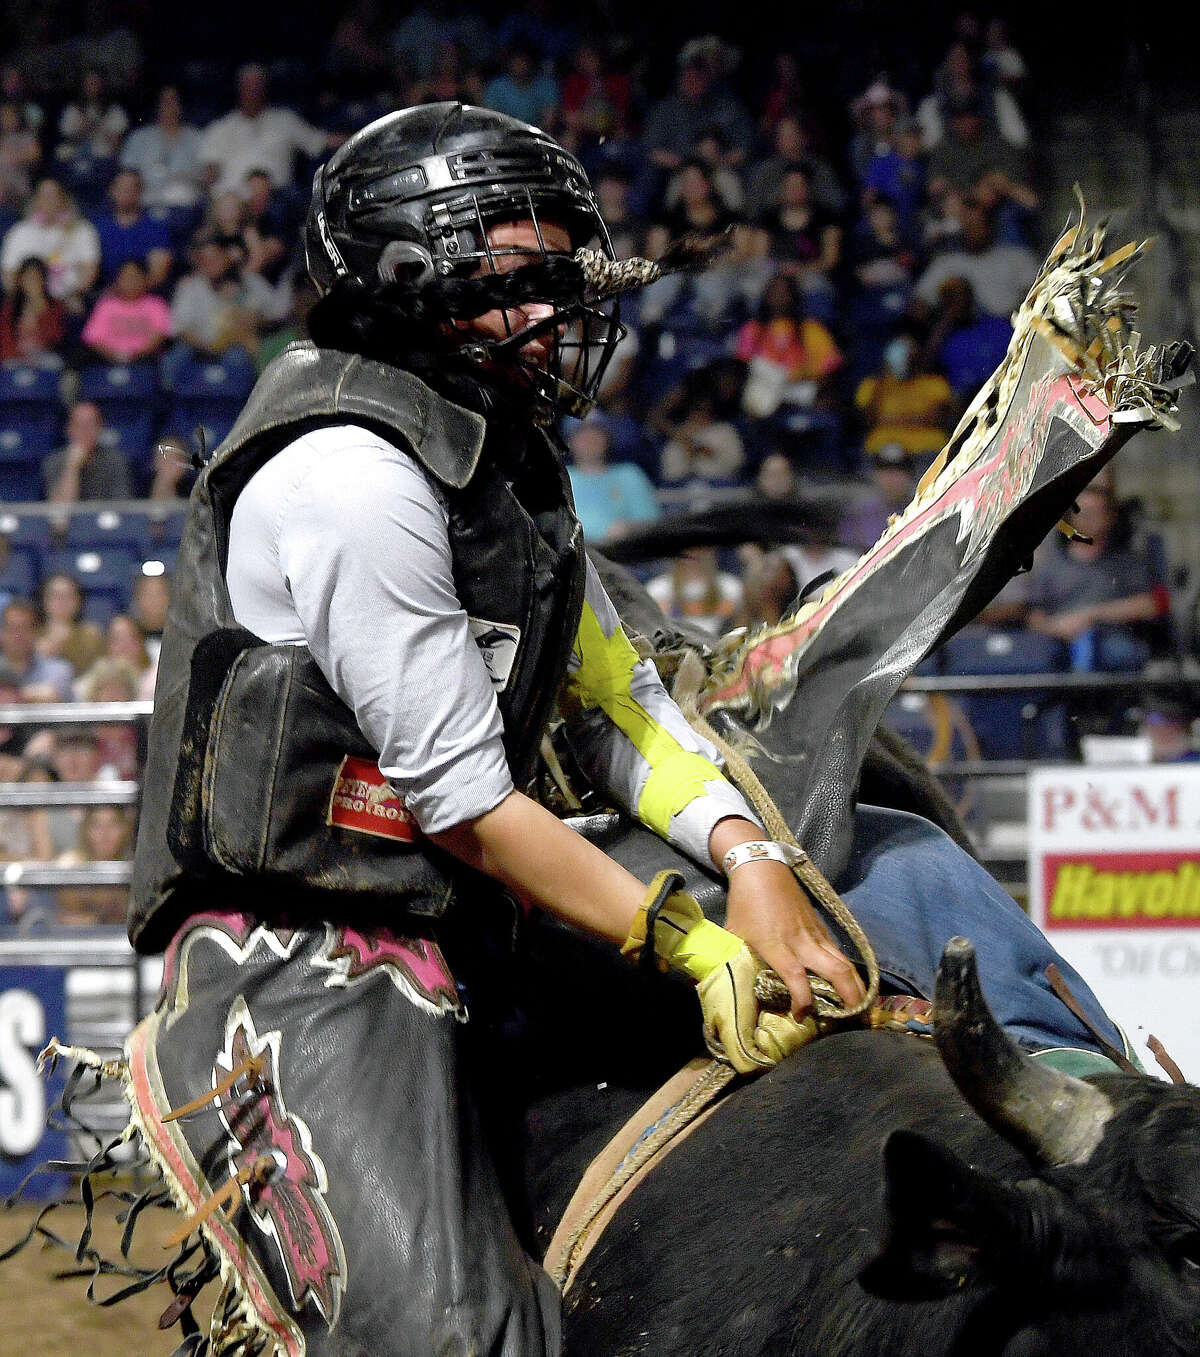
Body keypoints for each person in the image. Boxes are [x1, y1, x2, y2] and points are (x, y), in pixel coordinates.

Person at [121, 103, 865, 1357]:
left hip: (471, 902)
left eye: (558, 275)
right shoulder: (351, 477)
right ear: (408, 288)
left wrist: (755, 859)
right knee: (464, 1342)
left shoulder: (510, 463)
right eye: (513, 281)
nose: (555, 310)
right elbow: (462, 802)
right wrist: (692, 942)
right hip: (307, 940)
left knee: (856, 947)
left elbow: (625, 703)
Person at [42, 400, 133, 502]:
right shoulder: (54, 461)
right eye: (79, 425)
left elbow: (121, 508)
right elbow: (59, 512)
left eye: (90, 425)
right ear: (69, 429)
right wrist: (72, 467)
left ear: (100, 428)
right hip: (71, 517)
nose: (84, 431)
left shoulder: (115, 461)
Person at [0, 256, 66, 364]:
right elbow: (5, 342)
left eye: (36, 277)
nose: (32, 282)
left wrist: (41, 309)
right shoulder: (9, 308)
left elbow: (56, 338)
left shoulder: (55, 307)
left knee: (54, 362)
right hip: (15, 358)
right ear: (20, 280)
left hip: (44, 357)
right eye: (28, 277)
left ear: (43, 280)